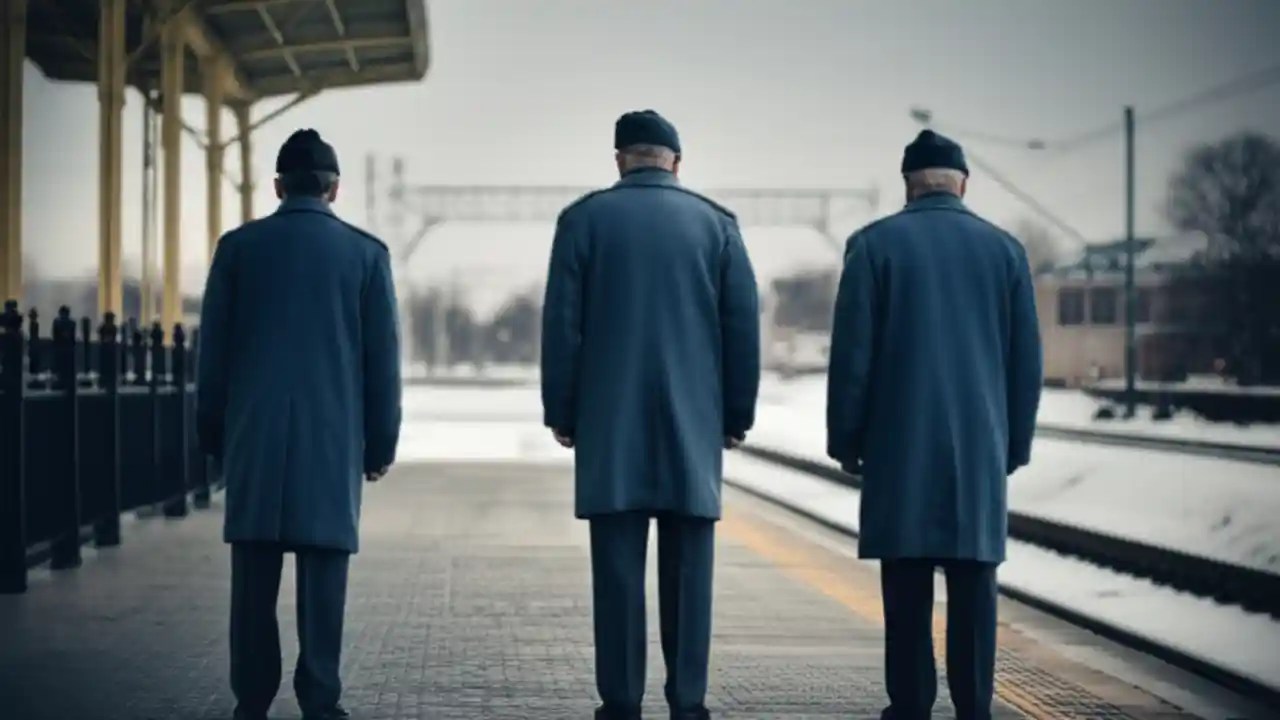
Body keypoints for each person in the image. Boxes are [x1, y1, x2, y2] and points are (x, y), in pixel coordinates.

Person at [540, 109, 761, 720]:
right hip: (693, 431)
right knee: (690, 578)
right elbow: (741, 331)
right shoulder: (717, 225)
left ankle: (620, 703)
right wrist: (735, 416)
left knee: (616, 578)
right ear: (677, 162)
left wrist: (564, 411)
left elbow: (562, 328)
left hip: (610, 431)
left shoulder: (582, 220)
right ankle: (688, 702)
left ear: (619, 160)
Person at [825, 130, 1042, 720]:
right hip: (978, 450)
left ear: (908, 186)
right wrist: (1013, 446)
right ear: (963, 184)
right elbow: (1025, 365)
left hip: (898, 449)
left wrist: (847, 441)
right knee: (974, 586)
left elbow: (852, 359)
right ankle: (974, 706)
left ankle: (911, 705)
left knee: (906, 587)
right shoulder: (1005, 252)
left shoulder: (872, 246)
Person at [196, 128, 402, 720]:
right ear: (334, 189)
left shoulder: (238, 249)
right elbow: (381, 366)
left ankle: (252, 699)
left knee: (252, 586)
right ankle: (320, 698)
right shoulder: (366, 255)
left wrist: (214, 436)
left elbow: (213, 358)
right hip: (331, 445)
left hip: (255, 442)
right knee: (324, 581)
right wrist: (379, 446)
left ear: (278, 186)